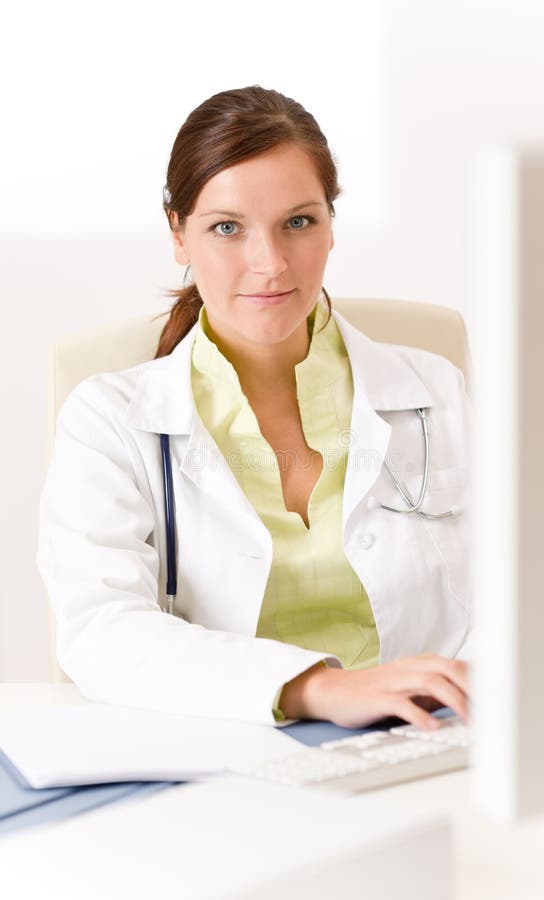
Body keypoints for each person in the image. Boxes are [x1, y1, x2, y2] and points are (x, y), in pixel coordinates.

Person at [37, 85, 472, 730]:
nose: (269, 263)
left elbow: (532, 588)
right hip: (218, 751)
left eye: (299, 222)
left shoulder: (436, 392)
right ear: (178, 233)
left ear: (331, 223)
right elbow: (99, 629)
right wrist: (316, 689)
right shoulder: (108, 421)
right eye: (227, 228)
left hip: (430, 740)